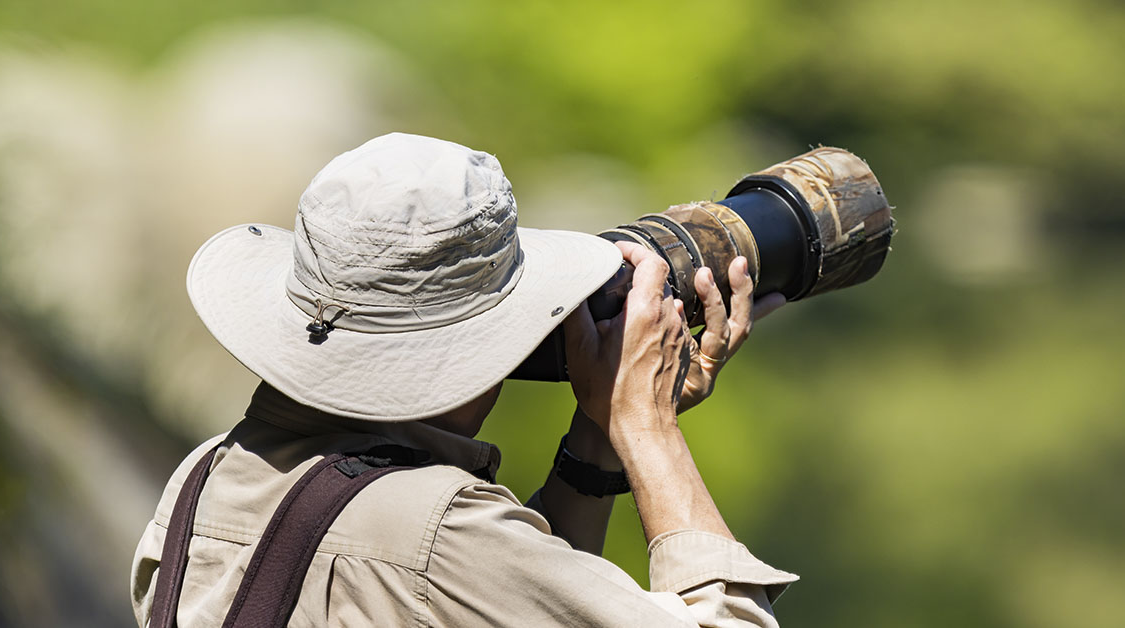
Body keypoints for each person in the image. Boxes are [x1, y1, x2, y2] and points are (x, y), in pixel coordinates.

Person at [130, 133, 796, 627]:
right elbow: (458, 566)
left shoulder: (202, 480)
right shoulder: (439, 534)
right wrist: (645, 428)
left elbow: (503, 599)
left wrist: (597, 435)